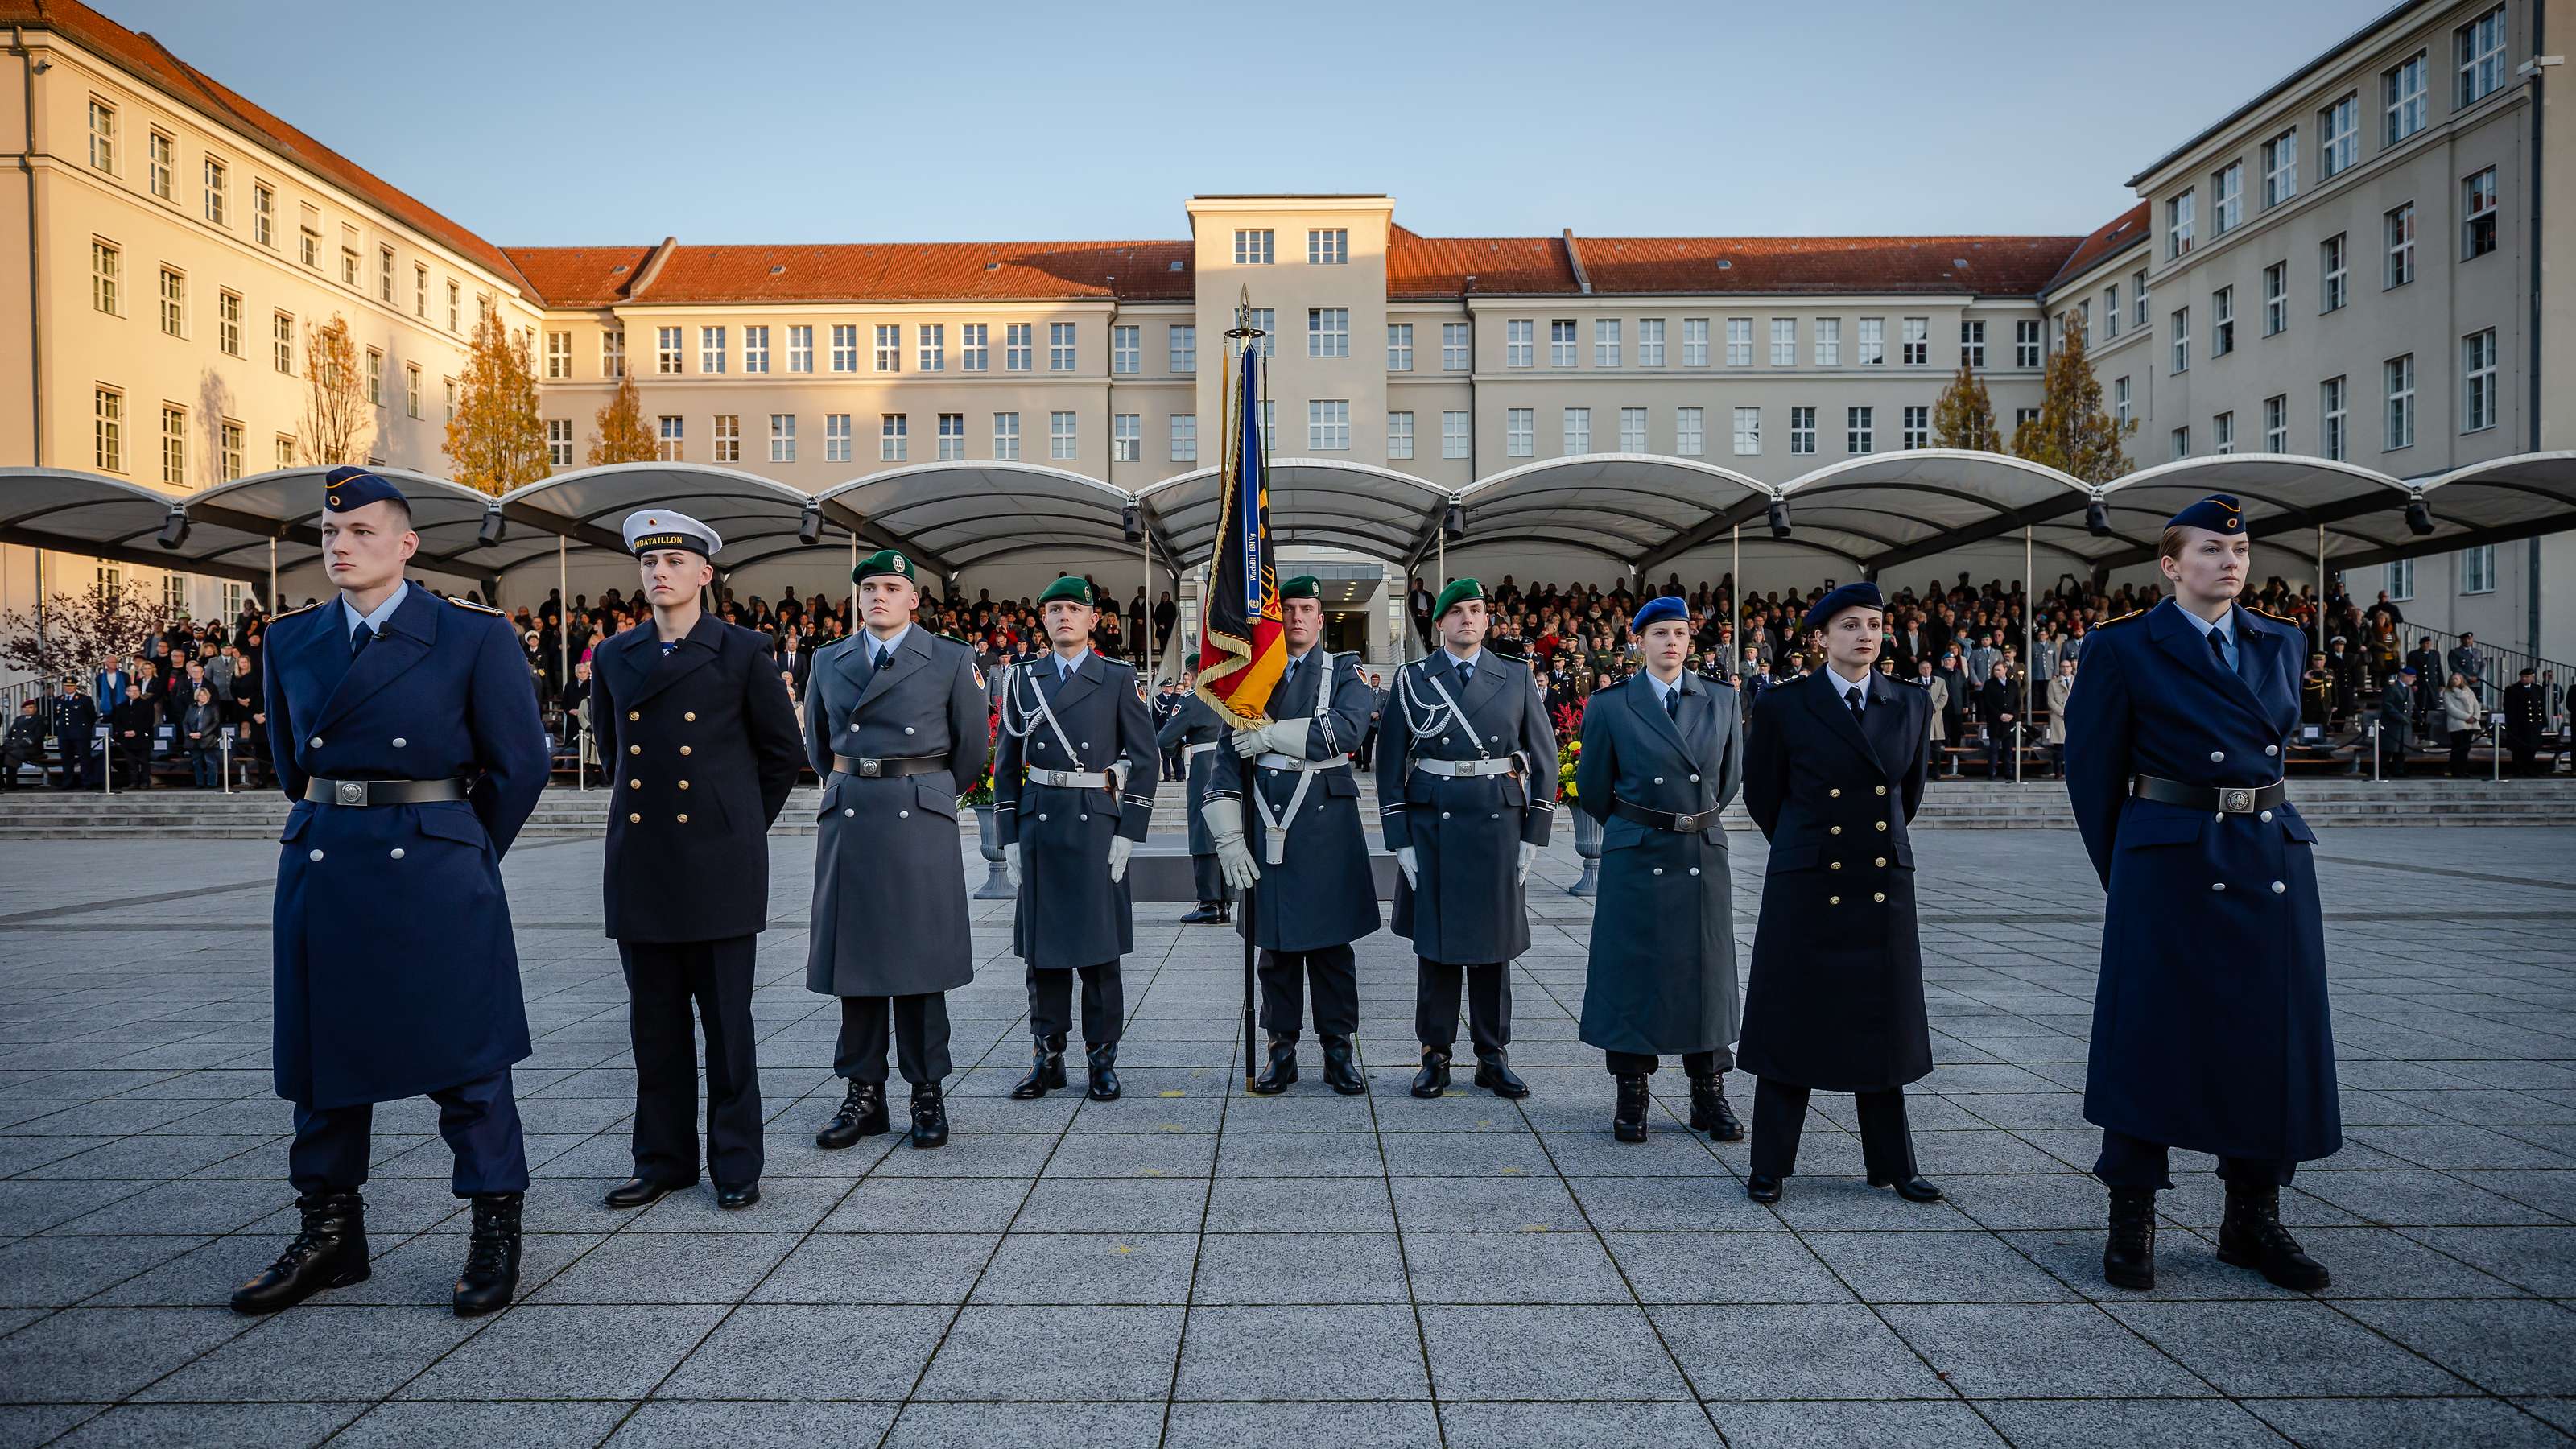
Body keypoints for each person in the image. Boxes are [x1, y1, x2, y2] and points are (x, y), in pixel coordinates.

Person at [230, 466, 548, 1319]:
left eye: (360, 532)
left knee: (469, 1058)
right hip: (327, 857)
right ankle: (331, 1231)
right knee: (322, 1065)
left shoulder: (470, 637)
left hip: (435, 865)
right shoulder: (290, 641)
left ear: (406, 545)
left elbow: (521, 766)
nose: (340, 546)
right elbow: (296, 766)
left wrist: (460, 848)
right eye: (329, 535)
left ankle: (492, 1228)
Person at [2063, 493, 2340, 1294]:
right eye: (2212, 550)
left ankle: (2250, 1219)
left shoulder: (2280, 642)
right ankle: (2132, 1216)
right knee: (2147, 1034)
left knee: (2269, 1036)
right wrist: (2132, 867)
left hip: (2265, 851)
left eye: (2240, 551)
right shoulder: (2122, 648)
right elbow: (2089, 773)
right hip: (2169, 853)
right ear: (2169, 565)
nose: (2230, 563)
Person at [591, 510, 803, 1212]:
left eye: (675, 563)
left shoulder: (743, 650)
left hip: (718, 867)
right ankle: (663, 1160)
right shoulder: (614, 656)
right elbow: (613, 751)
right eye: (649, 565)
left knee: (727, 1027)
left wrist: (735, 826)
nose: (659, 574)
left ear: (705, 574)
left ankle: (736, 1162)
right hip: (644, 862)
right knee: (653, 1028)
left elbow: (781, 756)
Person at [1736, 581, 1940, 1207]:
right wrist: (1808, 847)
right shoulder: (1783, 705)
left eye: (1875, 624)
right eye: (1850, 625)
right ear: (1820, 638)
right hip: (1808, 882)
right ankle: (1770, 1165)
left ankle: (1893, 1165)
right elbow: (1762, 794)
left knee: (1883, 1025)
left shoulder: (1909, 702)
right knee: (1788, 1023)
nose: (1866, 635)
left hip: (1880, 882)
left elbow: (1909, 795)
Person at [806, 549, 990, 1150]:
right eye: (869, 588)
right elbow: (817, 746)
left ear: (915, 599)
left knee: (919, 964)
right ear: (857, 599)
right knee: (854, 965)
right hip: (853, 812)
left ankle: (926, 1091)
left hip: (918, 814)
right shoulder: (828, 660)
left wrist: (926, 788)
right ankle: (864, 1094)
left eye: (891, 587)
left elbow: (969, 752)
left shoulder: (950, 658)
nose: (878, 597)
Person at [1573, 595, 1745, 1143]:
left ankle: (1708, 1092)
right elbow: (1597, 788)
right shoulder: (1610, 705)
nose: (1672, 642)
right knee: (1631, 974)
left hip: (1699, 848)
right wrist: (1640, 824)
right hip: (1636, 849)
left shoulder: (1720, 700)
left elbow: (1729, 779)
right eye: (1660, 633)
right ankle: (1632, 1094)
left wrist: (1689, 819)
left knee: (1707, 972)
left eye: (1680, 633)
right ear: (1639, 642)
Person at [1377, 579, 1558, 1099]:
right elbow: (1391, 764)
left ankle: (1492, 1054)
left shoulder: (1517, 677)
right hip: (1433, 824)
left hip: (1498, 823)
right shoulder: (1412, 680)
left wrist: (1535, 833)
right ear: (1439, 624)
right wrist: (1400, 838)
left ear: (1487, 618)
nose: (1467, 620)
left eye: (1475, 610)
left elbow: (1543, 758)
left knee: (1492, 946)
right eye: (1455, 612)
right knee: (1435, 947)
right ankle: (1435, 1054)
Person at [1206, 576, 1381, 1096]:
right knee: (1276, 950)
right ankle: (1281, 1050)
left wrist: (1268, 735)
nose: (1299, 617)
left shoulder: (1344, 669)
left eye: (1308, 609)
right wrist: (1228, 837)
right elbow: (1225, 761)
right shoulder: (1251, 677)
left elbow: (1346, 732)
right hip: (1267, 821)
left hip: (1325, 824)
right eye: (1290, 609)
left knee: (1332, 953)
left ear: (1321, 619)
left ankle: (1338, 1052)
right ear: (1276, 618)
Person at [993, 576, 1158, 1102]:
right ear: (1043, 620)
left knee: (1099, 952)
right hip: (1040, 821)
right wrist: (1009, 838)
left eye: (1074, 608)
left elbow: (1147, 757)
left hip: (1095, 822)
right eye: (1055, 609)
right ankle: (1049, 1056)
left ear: (1093, 619)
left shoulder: (1115, 677)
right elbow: (1006, 766)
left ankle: (1101, 1059)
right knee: (1043, 954)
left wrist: (1130, 830)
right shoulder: (1023, 680)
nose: (1064, 616)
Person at [1157, 673, 1232, 925]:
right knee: (1227, 833)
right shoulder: (1235, 695)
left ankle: (1209, 903)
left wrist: (1177, 749)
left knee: (1204, 834)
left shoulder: (1194, 699)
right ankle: (1224, 902)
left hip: (1204, 768)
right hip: (1234, 769)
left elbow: (1165, 738)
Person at [51, 678, 98, 789]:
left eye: (71, 686)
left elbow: (92, 716)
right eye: (66, 686)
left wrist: (84, 728)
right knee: (67, 759)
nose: (69, 688)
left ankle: (87, 782)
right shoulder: (59, 699)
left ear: (75, 687)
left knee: (84, 758)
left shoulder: (84, 699)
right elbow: (56, 716)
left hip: (81, 733)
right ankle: (67, 782)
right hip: (64, 734)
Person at [1975, 661, 2017, 778]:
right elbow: (1987, 702)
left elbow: (2017, 702)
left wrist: (2012, 715)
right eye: (1995, 670)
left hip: (2010, 723)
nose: (1996, 672)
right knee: (1994, 748)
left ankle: (2008, 772)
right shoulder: (1989, 684)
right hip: (1995, 722)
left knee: (2008, 749)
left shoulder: (2013, 684)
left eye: (1999, 670)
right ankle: (1992, 772)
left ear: (2005, 670)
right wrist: (2000, 715)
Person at [2503, 667, 2547, 775]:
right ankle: (2518, 769)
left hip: (2534, 724)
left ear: (2532, 677)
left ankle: (2529, 768)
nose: (2524, 679)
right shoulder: (2512, 689)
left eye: (2527, 677)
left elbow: (2541, 706)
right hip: (2519, 724)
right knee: (2518, 748)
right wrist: (2512, 723)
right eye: (2522, 677)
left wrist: (2543, 721)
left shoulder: (2538, 689)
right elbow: (2509, 708)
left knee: (2532, 748)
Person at [2377, 667, 2416, 775]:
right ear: (2404, 676)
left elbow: (2412, 704)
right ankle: (2380, 770)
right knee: (2388, 748)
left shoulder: (2409, 689)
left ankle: (2398, 769)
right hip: (2392, 723)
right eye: (2412, 677)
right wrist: (2399, 717)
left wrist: (2419, 717)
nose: (2414, 679)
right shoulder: (2392, 687)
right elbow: (2387, 704)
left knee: (2402, 749)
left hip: (2405, 723)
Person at [2442, 671, 2482, 776]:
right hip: (2457, 723)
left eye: (2456, 679)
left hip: (2470, 724)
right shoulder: (2447, 693)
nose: (2454, 680)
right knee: (2457, 747)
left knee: (2466, 748)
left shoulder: (2469, 691)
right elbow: (2451, 709)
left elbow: (2476, 705)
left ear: (2461, 680)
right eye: (2453, 679)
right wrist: (2466, 717)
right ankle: (2455, 770)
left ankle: (2463, 769)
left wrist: (2475, 717)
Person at [184, 685, 224, 787]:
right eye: (200, 695)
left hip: (208, 739)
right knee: (197, 763)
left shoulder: (213, 707)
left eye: (204, 695)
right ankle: (200, 783)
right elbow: (185, 722)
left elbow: (216, 722)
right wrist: (189, 733)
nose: (203, 697)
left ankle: (212, 783)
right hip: (193, 739)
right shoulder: (191, 707)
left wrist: (202, 733)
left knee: (210, 762)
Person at [2045, 657, 2077, 776]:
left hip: (2074, 719)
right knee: (2058, 748)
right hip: (2059, 718)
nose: (2065, 669)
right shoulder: (2053, 683)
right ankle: (2058, 772)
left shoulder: (2077, 681)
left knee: (2073, 747)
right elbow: (2050, 701)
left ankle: (2072, 773)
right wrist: (2062, 712)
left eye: (2068, 666)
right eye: (2063, 666)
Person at [1, 699, 43, 789]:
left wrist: (17, 744)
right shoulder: (18, 719)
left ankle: (11, 785)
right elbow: (9, 734)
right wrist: (8, 743)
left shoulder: (40, 719)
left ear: (35, 709)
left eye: (30, 707)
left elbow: (36, 737)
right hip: (14, 746)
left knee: (11, 755)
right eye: (25, 708)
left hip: (31, 748)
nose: (28, 710)